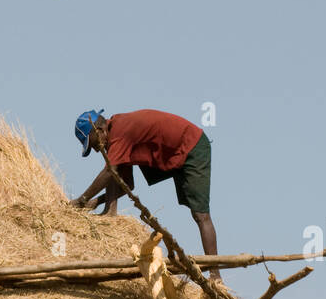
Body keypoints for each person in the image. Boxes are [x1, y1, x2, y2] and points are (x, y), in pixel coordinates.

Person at [70, 109, 217, 256]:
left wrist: (82, 200)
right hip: (170, 152)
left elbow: (109, 171)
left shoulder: (121, 132)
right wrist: (96, 202)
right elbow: (126, 184)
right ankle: (109, 212)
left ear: (100, 130)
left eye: (93, 144)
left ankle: (215, 276)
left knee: (201, 215)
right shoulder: (117, 139)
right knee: (114, 167)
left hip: (192, 146)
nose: (96, 150)